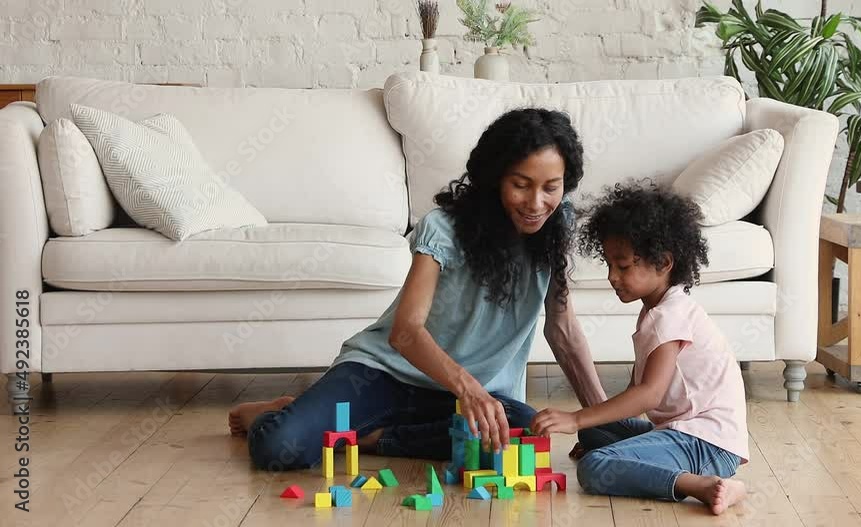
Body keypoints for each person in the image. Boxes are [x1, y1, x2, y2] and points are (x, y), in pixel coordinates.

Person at [228, 108, 608, 470]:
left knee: (524, 431)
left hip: (462, 398)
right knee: (278, 446)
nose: (536, 203)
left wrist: (604, 425)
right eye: (521, 185)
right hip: (384, 374)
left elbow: (563, 328)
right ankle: (278, 410)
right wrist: (470, 389)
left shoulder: (558, 227)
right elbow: (405, 331)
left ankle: (372, 437)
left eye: (551, 188)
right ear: (495, 180)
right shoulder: (442, 227)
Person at [530, 182, 749, 514]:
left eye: (623, 266)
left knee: (595, 467)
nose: (612, 277)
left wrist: (575, 418)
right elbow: (636, 392)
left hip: (706, 444)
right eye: (609, 265)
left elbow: (649, 396)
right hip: (685, 433)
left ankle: (703, 485)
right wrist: (589, 426)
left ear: (663, 263)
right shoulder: (659, 309)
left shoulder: (669, 318)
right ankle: (642, 462)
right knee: (594, 434)